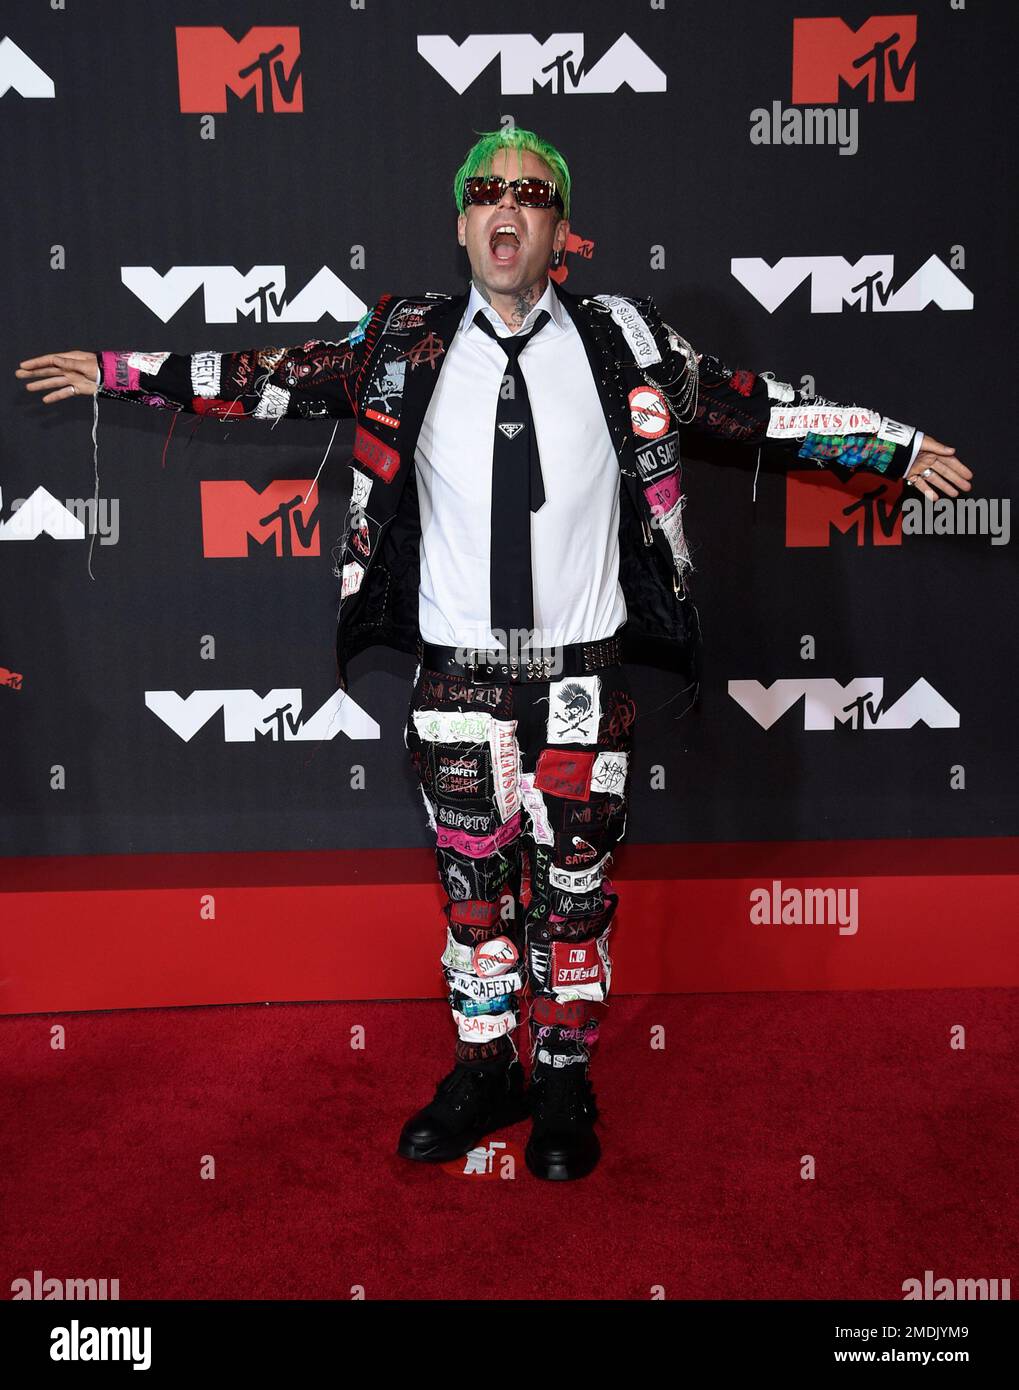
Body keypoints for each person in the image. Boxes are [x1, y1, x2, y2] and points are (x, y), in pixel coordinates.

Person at [16, 127, 972, 1181]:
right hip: (456, 684)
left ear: (559, 227)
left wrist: (892, 447)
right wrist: (120, 371)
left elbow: (760, 409)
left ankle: (561, 1077)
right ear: (460, 220)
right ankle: (486, 1069)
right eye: (485, 193)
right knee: (474, 910)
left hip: (579, 682)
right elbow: (262, 374)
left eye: (529, 194)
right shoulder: (401, 342)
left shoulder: (626, 345)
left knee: (574, 904)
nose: (505, 211)